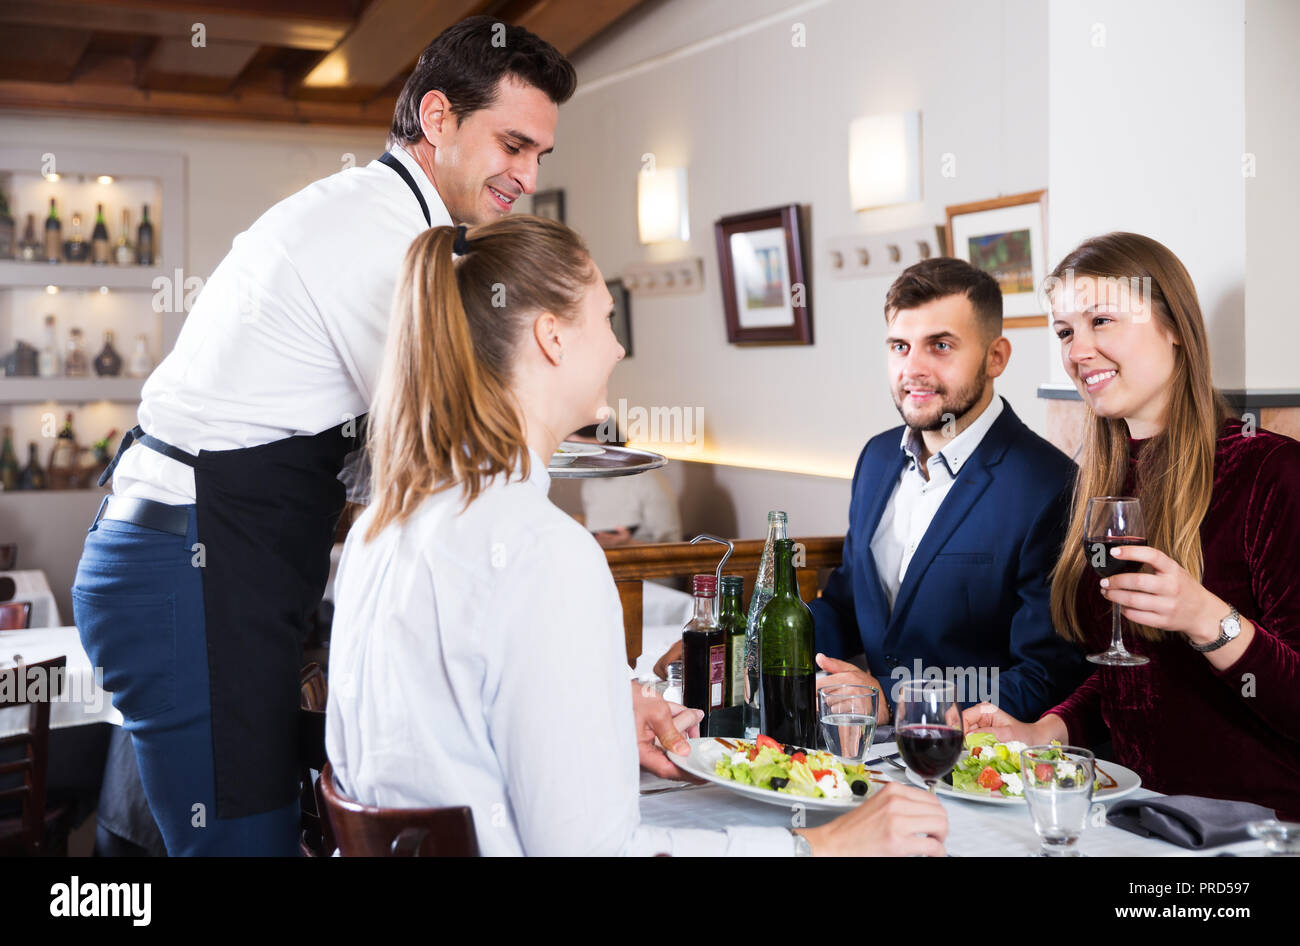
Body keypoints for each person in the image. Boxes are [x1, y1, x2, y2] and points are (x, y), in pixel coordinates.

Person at [72, 17, 579, 855]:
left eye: (538, 157)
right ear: (439, 118)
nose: (525, 176)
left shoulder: (388, 220)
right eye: (513, 145)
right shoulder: (380, 239)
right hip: (190, 567)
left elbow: (374, 463)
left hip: (198, 561)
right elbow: (446, 452)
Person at [326, 218, 949, 856]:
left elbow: (452, 738)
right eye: (606, 319)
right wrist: (823, 848)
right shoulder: (545, 552)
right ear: (551, 338)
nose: (619, 350)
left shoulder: (382, 526)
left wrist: (601, 714)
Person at [965, 232, 1300, 819]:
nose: (1078, 351)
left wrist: (1208, 620)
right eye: (1066, 331)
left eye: (1102, 321)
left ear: (1175, 326)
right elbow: (1135, 675)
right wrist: (1050, 729)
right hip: (1137, 817)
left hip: (1256, 833)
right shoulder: (1099, 483)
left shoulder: (1270, 471)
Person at [809, 257, 1088, 723]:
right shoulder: (876, 459)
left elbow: (1046, 677)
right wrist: (739, 645)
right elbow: (844, 607)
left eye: (940, 345)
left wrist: (893, 701)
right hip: (866, 751)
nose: (913, 368)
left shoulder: (1050, 485)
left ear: (996, 356)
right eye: (900, 346)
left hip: (978, 761)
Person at [569, 424, 682, 547]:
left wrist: (628, 543)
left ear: (607, 443)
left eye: (582, 449)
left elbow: (672, 542)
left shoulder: (646, 479)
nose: (577, 457)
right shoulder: (590, 482)